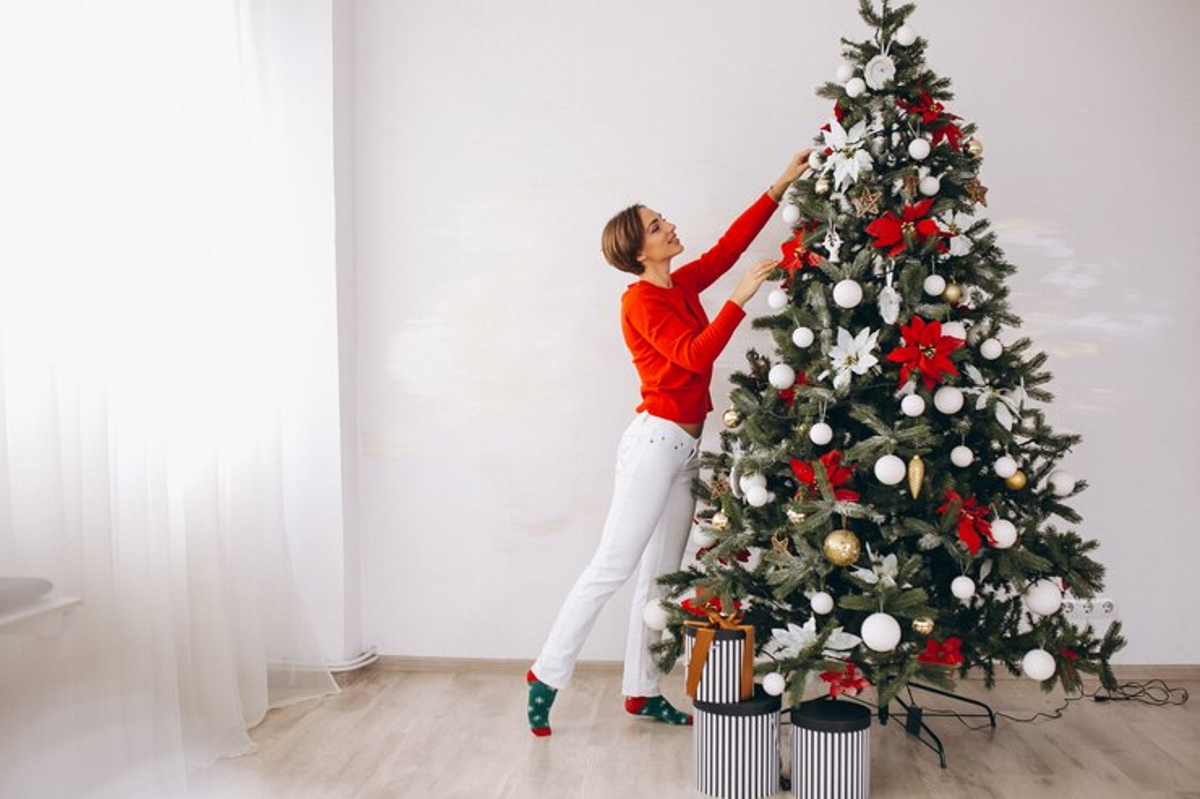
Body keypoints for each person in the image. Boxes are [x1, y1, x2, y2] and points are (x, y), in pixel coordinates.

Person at [526, 149, 815, 736]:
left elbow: (729, 248)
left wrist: (782, 182)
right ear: (639, 251)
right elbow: (692, 357)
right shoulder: (640, 300)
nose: (671, 226)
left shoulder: (679, 284)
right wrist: (737, 300)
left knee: (661, 578)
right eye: (658, 226)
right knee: (613, 565)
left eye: (663, 219)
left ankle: (640, 691)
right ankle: (546, 673)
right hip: (654, 445)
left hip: (684, 448)